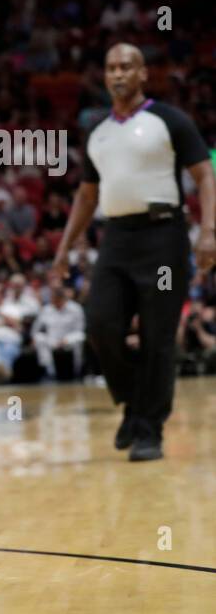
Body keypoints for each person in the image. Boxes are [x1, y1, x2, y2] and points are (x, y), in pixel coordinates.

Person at [53, 43, 216, 459]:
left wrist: (209, 230)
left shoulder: (169, 120)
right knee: (100, 324)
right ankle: (131, 401)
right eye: (111, 68)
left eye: (127, 66)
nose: (118, 74)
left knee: (158, 337)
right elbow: (87, 197)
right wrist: (64, 246)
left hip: (164, 234)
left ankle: (149, 430)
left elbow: (204, 174)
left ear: (143, 73)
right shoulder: (99, 133)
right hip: (117, 237)